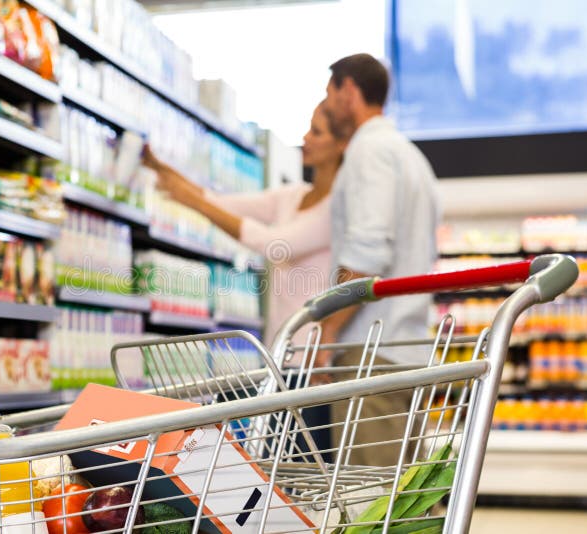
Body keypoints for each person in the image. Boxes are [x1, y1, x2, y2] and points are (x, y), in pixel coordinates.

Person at [143, 101, 351, 346]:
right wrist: (160, 168)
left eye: (316, 132)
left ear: (341, 145)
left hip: (310, 349)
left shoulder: (333, 210)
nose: (305, 138)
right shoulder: (292, 195)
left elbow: (274, 244)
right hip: (279, 343)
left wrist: (194, 202)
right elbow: (221, 202)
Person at [319, 53, 441, 466]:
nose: (327, 104)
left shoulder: (368, 150)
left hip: (372, 353)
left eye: (329, 93)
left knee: (368, 496)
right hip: (407, 350)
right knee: (403, 495)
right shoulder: (410, 156)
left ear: (349, 90)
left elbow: (368, 253)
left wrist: (327, 329)